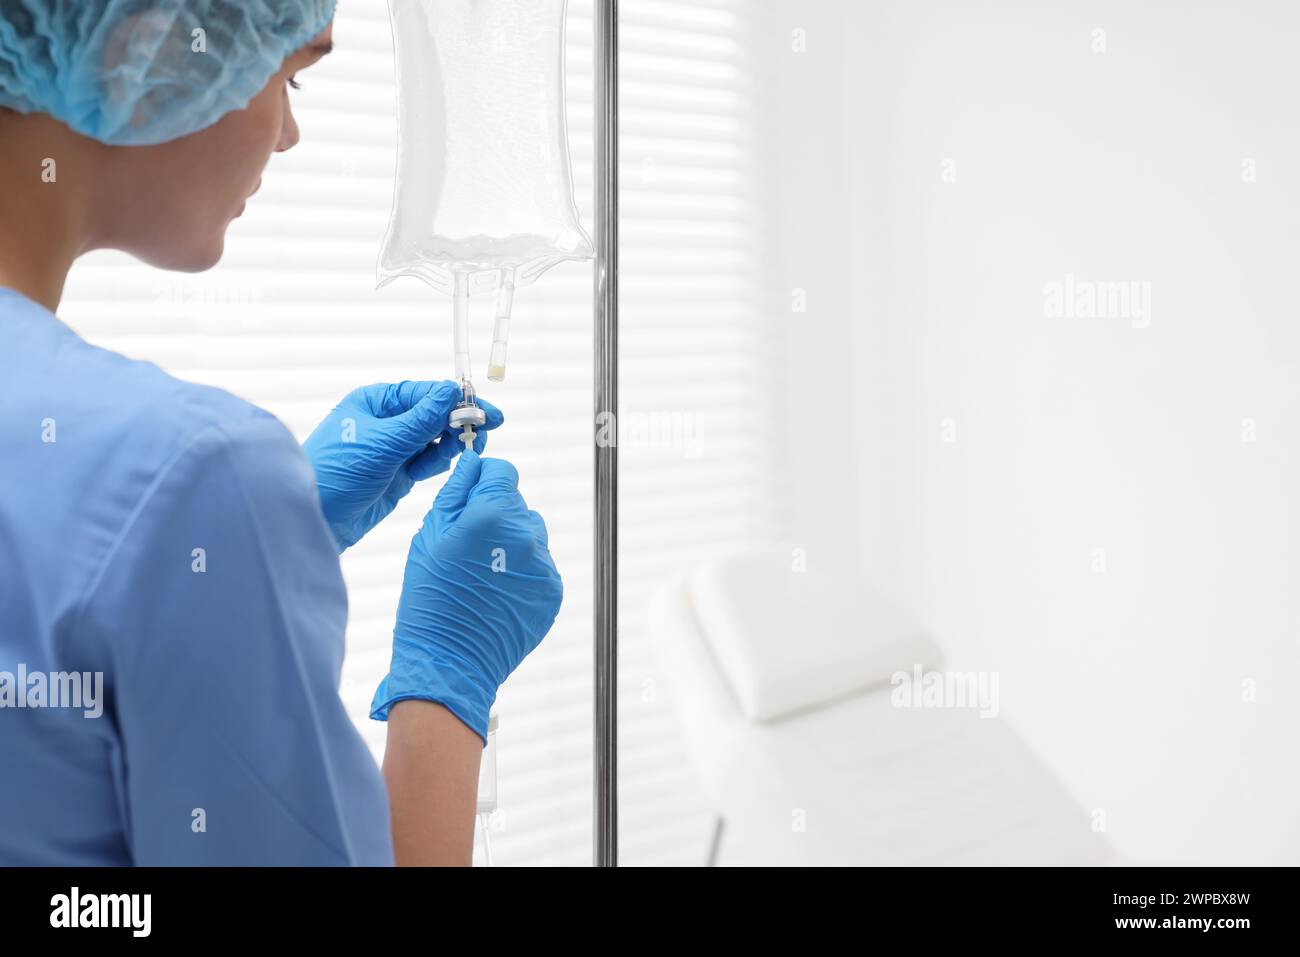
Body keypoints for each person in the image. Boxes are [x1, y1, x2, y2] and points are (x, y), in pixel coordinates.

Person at [0, 0, 563, 865]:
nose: (289, 132)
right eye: (288, 75)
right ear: (143, 47)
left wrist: (229, 551)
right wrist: (445, 689)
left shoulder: (147, 474)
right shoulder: (191, 470)